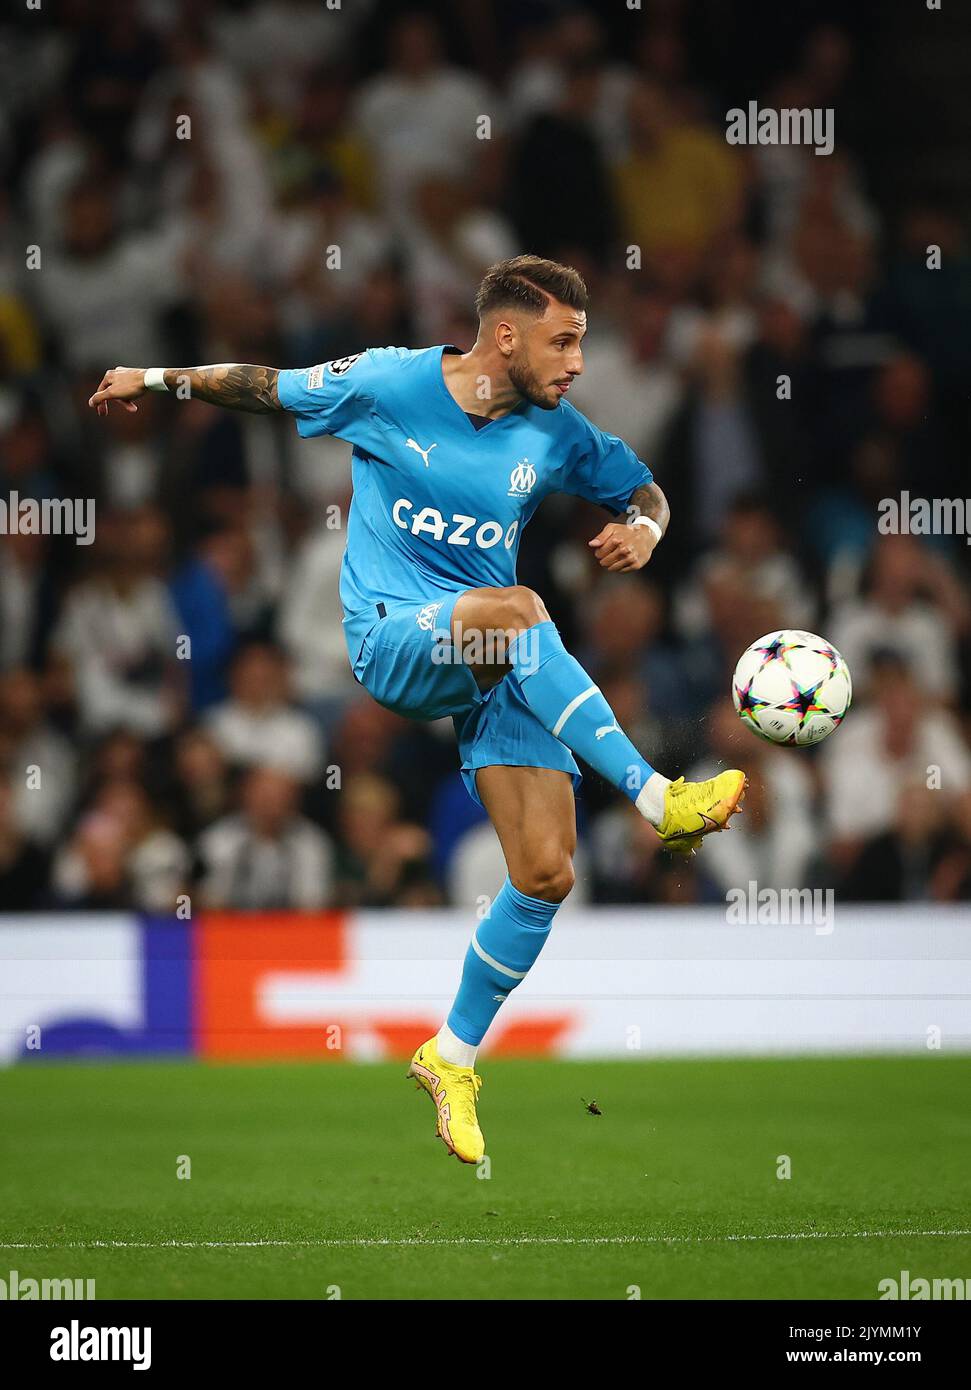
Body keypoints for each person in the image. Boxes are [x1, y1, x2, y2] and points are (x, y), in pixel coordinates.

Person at [89, 254, 746, 1164]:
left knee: (547, 871)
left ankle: (451, 1056)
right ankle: (656, 799)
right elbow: (266, 387)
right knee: (520, 608)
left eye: (583, 344)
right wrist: (156, 378)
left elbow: (644, 488)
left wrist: (645, 527)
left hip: (494, 661)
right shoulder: (389, 381)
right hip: (394, 638)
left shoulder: (555, 432)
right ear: (504, 335)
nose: (577, 363)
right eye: (563, 341)